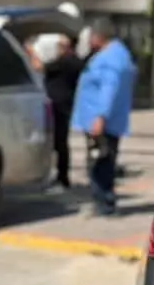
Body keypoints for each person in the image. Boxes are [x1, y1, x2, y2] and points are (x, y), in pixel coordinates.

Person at [69, 17, 136, 216]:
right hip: (106, 121)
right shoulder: (116, 54)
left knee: (100, 163)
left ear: (99, 36)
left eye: (91, 36)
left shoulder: (110, 59)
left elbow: (109, 88)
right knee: (104, 161)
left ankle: (104, 204)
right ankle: (104, 202)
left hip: (102, 122)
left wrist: (100, 116)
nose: (89, 40)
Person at [40, 34, 85, 190]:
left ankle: (62, 177)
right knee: (60, 142)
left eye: (59, 46)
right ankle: (60, 175)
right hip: (65, 103)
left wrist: (29, 50)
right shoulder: (76, 61)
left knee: (59, 142)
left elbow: (40, 67)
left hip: (59, 105)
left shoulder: (65, 62)